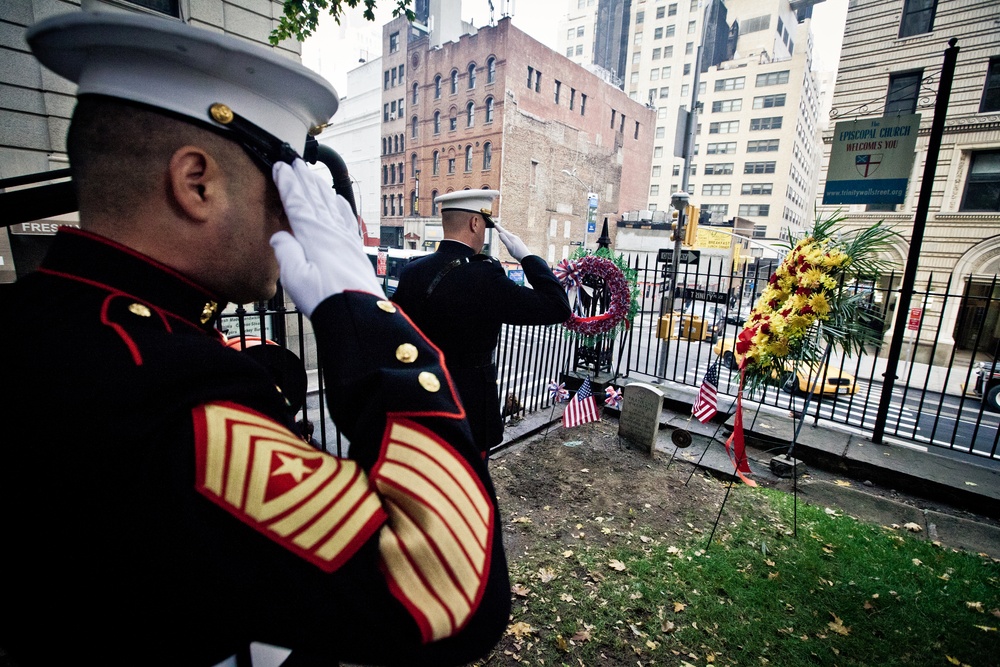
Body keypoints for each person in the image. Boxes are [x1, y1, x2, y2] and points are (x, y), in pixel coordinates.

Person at [0, 11, 509, 666]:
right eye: (286, 187)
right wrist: (364, 313)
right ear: (197, 183)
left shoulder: (38, 320)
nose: (300, 217)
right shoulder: (175, 402)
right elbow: (456, 591)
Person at [391, 191, 572, 458]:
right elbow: (557, 307)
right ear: (476, 223)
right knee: (468, 486)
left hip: (421, 397)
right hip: (469, 405)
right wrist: (528, 258)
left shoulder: (412, 271)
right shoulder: (484, 276)